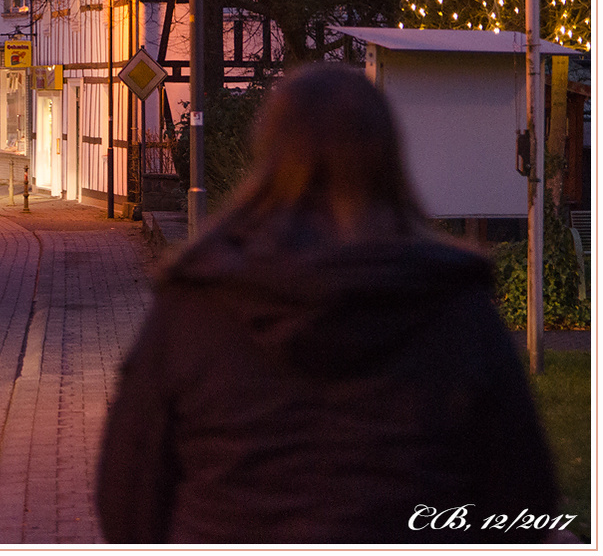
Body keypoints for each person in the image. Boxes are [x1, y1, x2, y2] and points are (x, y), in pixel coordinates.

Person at [97, 64, 559, 544]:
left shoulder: (197, 304)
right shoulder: (453, 305)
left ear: (268, 153)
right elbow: (525, 500)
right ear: (388, 157)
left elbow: (127, 503)